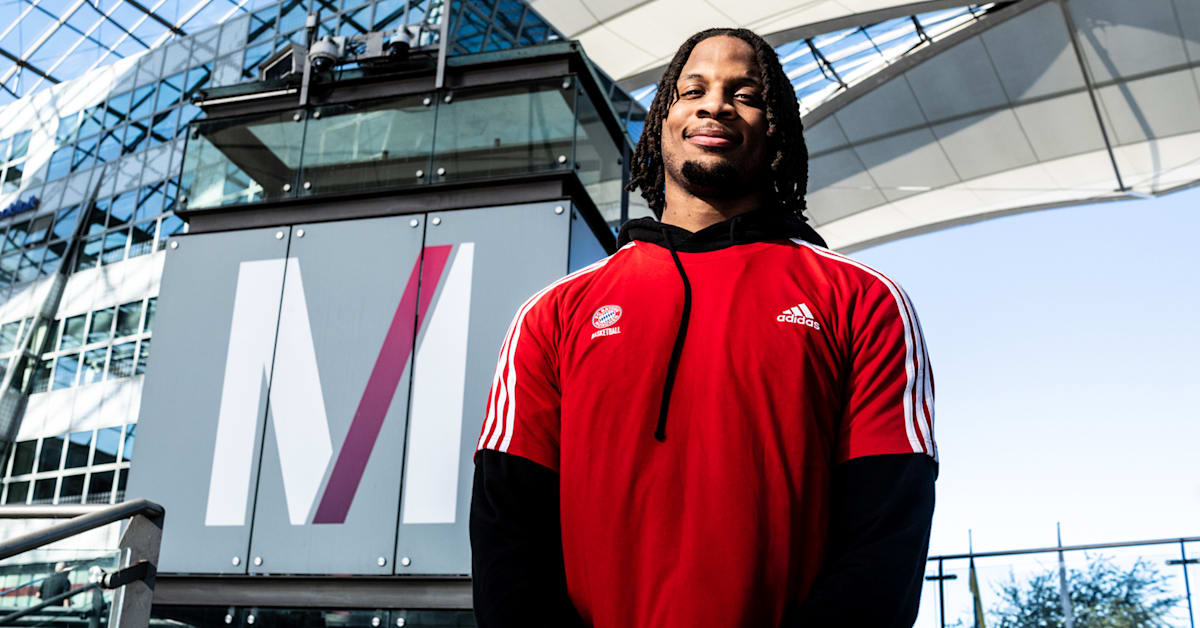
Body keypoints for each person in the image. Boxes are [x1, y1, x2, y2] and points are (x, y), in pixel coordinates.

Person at [470, 27, 936, 628]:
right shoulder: (554, 313)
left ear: (777, 133)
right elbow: (509, 535)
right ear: (661, 119)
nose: (714, 104)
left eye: (745, 95)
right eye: (693, 90)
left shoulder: (864, 300)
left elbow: (886, 535)